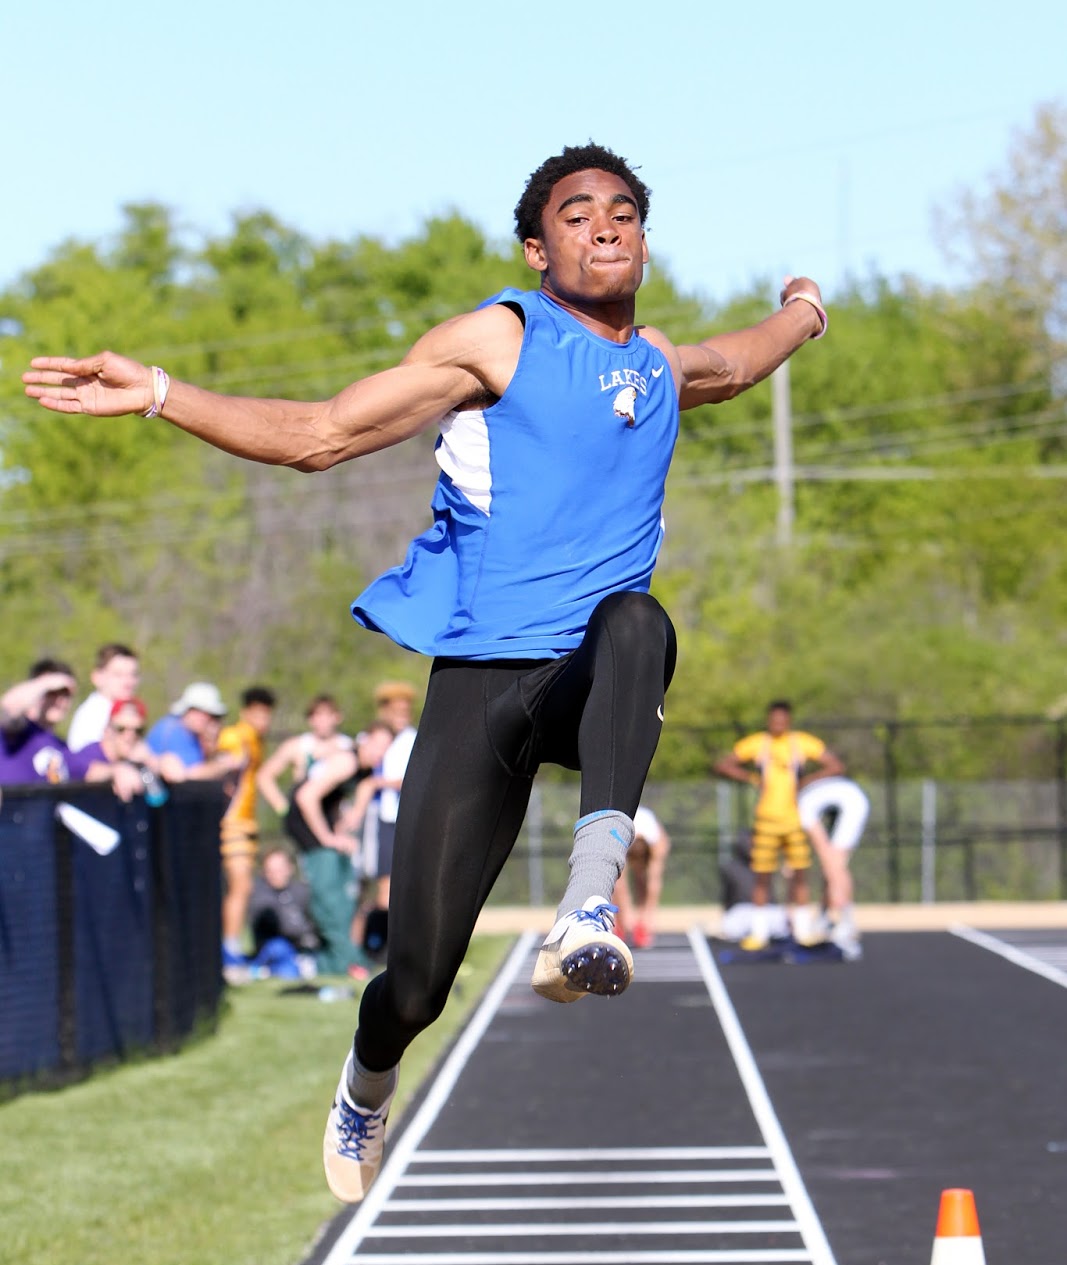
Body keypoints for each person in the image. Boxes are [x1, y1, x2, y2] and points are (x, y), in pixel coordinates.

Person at [22, 141, 828, 1203]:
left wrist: (806, 311)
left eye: (623, 211)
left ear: (643, 238)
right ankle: (364, 1082)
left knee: (637, 623)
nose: (604, 226)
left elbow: (737, 359)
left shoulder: (658, 367)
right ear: (536, 247)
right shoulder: (496, 340)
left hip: (588, 674)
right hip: (483, 690)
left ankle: (587, 907)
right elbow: (318, 435)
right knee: (415, 982)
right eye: (577, 214)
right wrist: (162, 391)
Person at [714, 701, 842, 950]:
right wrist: (751, 777)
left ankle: (803, 929)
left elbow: (834, 764)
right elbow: (724, 763)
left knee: (800, 874)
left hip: (793, 820)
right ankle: (759, 932)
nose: (778, 724)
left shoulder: (801, 743)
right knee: (762, 876)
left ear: (788, 721)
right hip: (766, 820)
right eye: (774, 720)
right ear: (769, 721)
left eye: (782, 720)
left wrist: (808, 780)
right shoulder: (759, 744)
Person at [285, 722, 395, 977]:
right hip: (306, 826)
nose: (379, 752)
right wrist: (327, 838)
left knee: (346, 899)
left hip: (323, 827)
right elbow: (306, 797)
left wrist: (341, 830)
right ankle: (337, 963)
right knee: (329, 900)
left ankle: (346, 960)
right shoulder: (347, 761)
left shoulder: (365, 771)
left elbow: (340, 804)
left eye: (385, 748)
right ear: (364, 740)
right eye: (376, 745)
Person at [215, 686, 277, 973]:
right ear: (246, 713)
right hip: (232, 821)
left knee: (242, 886)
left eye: (267, 715)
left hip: (247, 820)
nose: (263, 720)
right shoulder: (235, 736)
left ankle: (231, 945)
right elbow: (223, 765)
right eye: (258, 714)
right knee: (240, 885)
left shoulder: (257, 740)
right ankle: (229, 948)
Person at [358, 681, 418, 951]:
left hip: (402, 818)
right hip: (378, 818)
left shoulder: (412, 738)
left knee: (396, 885)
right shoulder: (370, 737)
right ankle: (374, 943)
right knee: (374, 883)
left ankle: (389, 945)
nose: (401, 714)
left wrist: (382, 783)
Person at [797, 774, 870, 959]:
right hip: (850, 799)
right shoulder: (806, 799)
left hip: (853, 805)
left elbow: (824, 852)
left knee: (834, 865)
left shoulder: (801, 806)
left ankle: (846, 923)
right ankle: (824, 918)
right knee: (832, 866)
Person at [256, 693, 354, 822]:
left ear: (337, 717)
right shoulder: (298, 746)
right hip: (307, 815)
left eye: (327, 715)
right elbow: (264, 776)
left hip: (338, 817)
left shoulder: (348, 746)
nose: (322, 721)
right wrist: (284, 808)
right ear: (310, 719)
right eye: (317, 715)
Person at [0, 660, 95, 784]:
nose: (59, 700)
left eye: (65, 694)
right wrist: (46, 683)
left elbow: (90, 771)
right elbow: (8, 708)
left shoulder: (61, 746)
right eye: (51, 693)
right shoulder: (18, 731)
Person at [246, 844, 321, 978]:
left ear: (290, 869)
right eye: (270, 870)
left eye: (280, 870)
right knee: (280, 952)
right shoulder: (258, 892)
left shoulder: (301, 891)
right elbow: (285, 926)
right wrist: (302, 934)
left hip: (301, 948)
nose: (275, 875)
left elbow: (313, 922)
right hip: (272, 947)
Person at [145, 681, 242, 782]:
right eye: (203, 713)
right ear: (190, 710)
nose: (207, 719)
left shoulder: (191, 734)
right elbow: (184, 775)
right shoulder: (174, 731)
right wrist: (222, 765)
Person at [613, 802, 670, 949]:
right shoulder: (621, 840)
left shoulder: (657, 843)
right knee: (613, 881)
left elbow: (653, 884)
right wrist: (627, 915)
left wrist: (646, 919)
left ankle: (641, 925)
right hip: (619, 828)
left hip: (644, 832)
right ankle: (617, 924)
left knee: (644, 882)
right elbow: (620, 884)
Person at [67, 643, 140, 751]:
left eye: (133, 674)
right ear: (97, 677)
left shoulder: (126, 711)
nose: (128, 682)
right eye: (118, 674)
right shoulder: (92, 714)